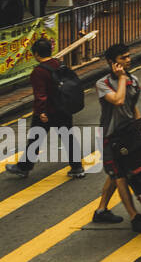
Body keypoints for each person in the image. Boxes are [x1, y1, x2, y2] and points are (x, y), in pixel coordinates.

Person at [7, 37, 84, 179]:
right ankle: (77, 167)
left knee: (35, 139)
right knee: (68, 137)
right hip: (64, 107)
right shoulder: (58, 64)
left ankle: (23, 168)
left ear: (36, 54)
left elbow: (40, 94)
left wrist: (41, 111)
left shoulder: (38, 71)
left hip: (47, 111)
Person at [91, 43, 141, 231]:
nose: (128, 60)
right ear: (111, 62)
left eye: (128, 56)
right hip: (111, 137)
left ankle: (101, 211)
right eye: (123, 58)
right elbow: (118, 100)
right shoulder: (103, 83)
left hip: (129, 134)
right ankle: (135, 217)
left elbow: (132, 106)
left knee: (116, 173)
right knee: (120, 175)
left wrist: (140, 127)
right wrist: (122, 79)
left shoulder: (134, 80)